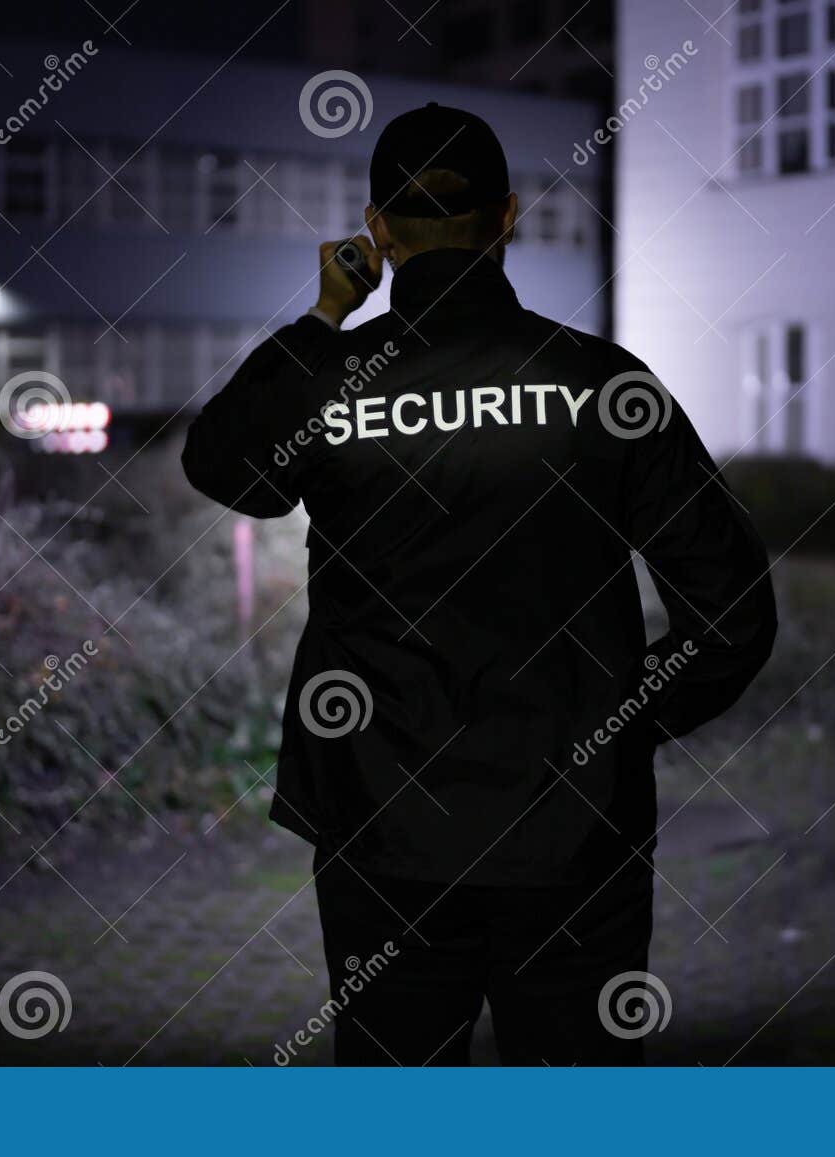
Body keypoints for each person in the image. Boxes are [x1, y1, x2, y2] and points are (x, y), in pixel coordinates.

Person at [182, 102, 777, 1066]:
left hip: (388, 837)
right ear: (507, 219)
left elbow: (222, 464)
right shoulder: (601, 384)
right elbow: (735, 613)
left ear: (377, 230)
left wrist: (328, 313)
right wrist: (621, 724)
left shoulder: (335, 384)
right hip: (576, 838)